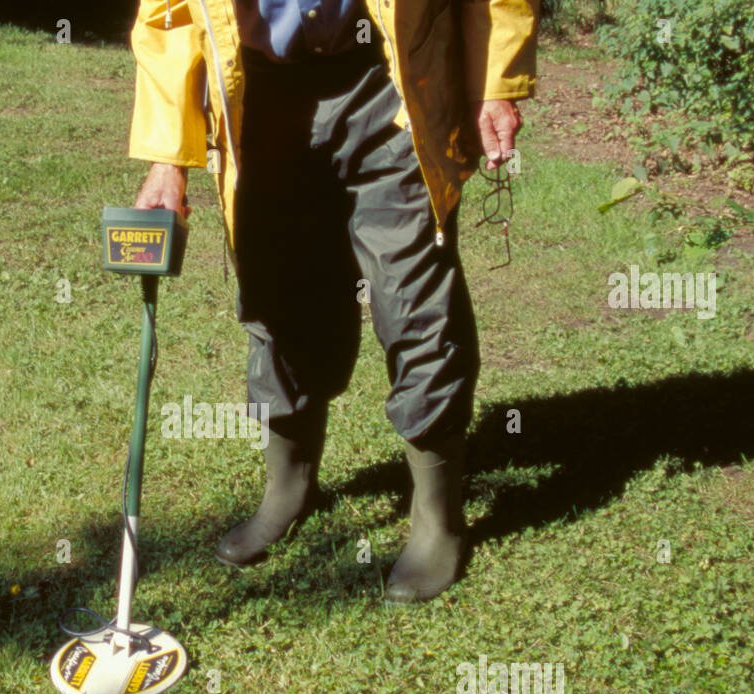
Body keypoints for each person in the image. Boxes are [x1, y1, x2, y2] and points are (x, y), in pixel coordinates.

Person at [129, 1, 537, 602]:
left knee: (414, 295)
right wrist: (168, 160)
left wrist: (494, 82)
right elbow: (169, 15)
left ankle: (438, 515)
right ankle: (288, 485)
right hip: (261, 93)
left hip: (389, 83)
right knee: (278, 289)